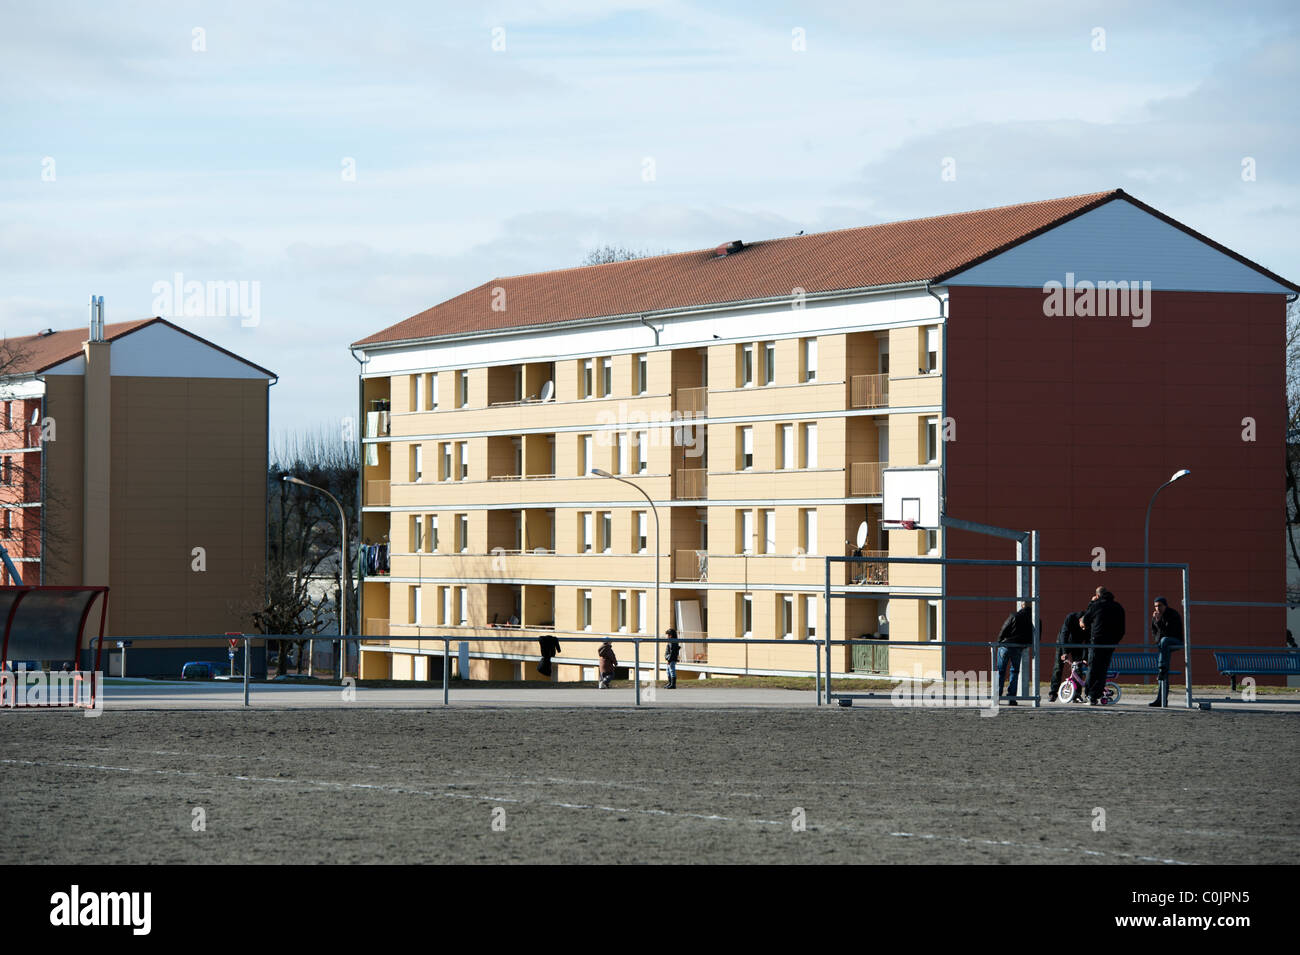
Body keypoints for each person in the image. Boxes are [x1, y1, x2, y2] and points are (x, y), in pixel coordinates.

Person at [1080, 587, 1125, 704]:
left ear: (1097, 596)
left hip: (1097, 641)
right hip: (1110, 643)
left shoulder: (1096, 605)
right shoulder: (1118, 607)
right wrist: (1115, 640)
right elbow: (1122, 629)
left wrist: (1092, 602)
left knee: (1093, 668)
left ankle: (1090, 695)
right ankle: (1096, 694)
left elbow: (1086, 620)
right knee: (1102, 669)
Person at [1049, 605, 1091, 702]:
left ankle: (1076, 694)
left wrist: (1085, 657)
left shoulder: (1089, 621)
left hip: (1078, 644)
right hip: (1064, 642)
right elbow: (1064, 634)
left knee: (1078, 668)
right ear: (1080, 620)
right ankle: (1053, 693)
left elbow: (1088, 641)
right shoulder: (1070, 618)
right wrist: (1064, 652)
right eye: (1083, 627)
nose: (1084, 629)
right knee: (1058, 667)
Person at [995, 602, 1034, 705]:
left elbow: (1004, 629)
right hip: (1018, 648)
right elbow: (1036, 635)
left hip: (1006, 646)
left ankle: (997, 697)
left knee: (1000, 671)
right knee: (1015, 672)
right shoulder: (1033, 618)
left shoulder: (1014, 615)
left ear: (1022, 605)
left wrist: (999, 642)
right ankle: (1011, 698)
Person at [1148, 597, 1183, 707]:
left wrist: (1159, 621)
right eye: (1156, 606)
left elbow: (1168, 632)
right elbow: (1154, 631)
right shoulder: (1155, 616)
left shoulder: (1172, 615)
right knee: (1164, 673)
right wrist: (1156, 641)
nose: (1157, 608)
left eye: (1160, 605)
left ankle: (1162, 668)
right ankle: (1161, 699)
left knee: (1164, 640)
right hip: (1163, 646)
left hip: (1174, 641)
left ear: (1165, 605)